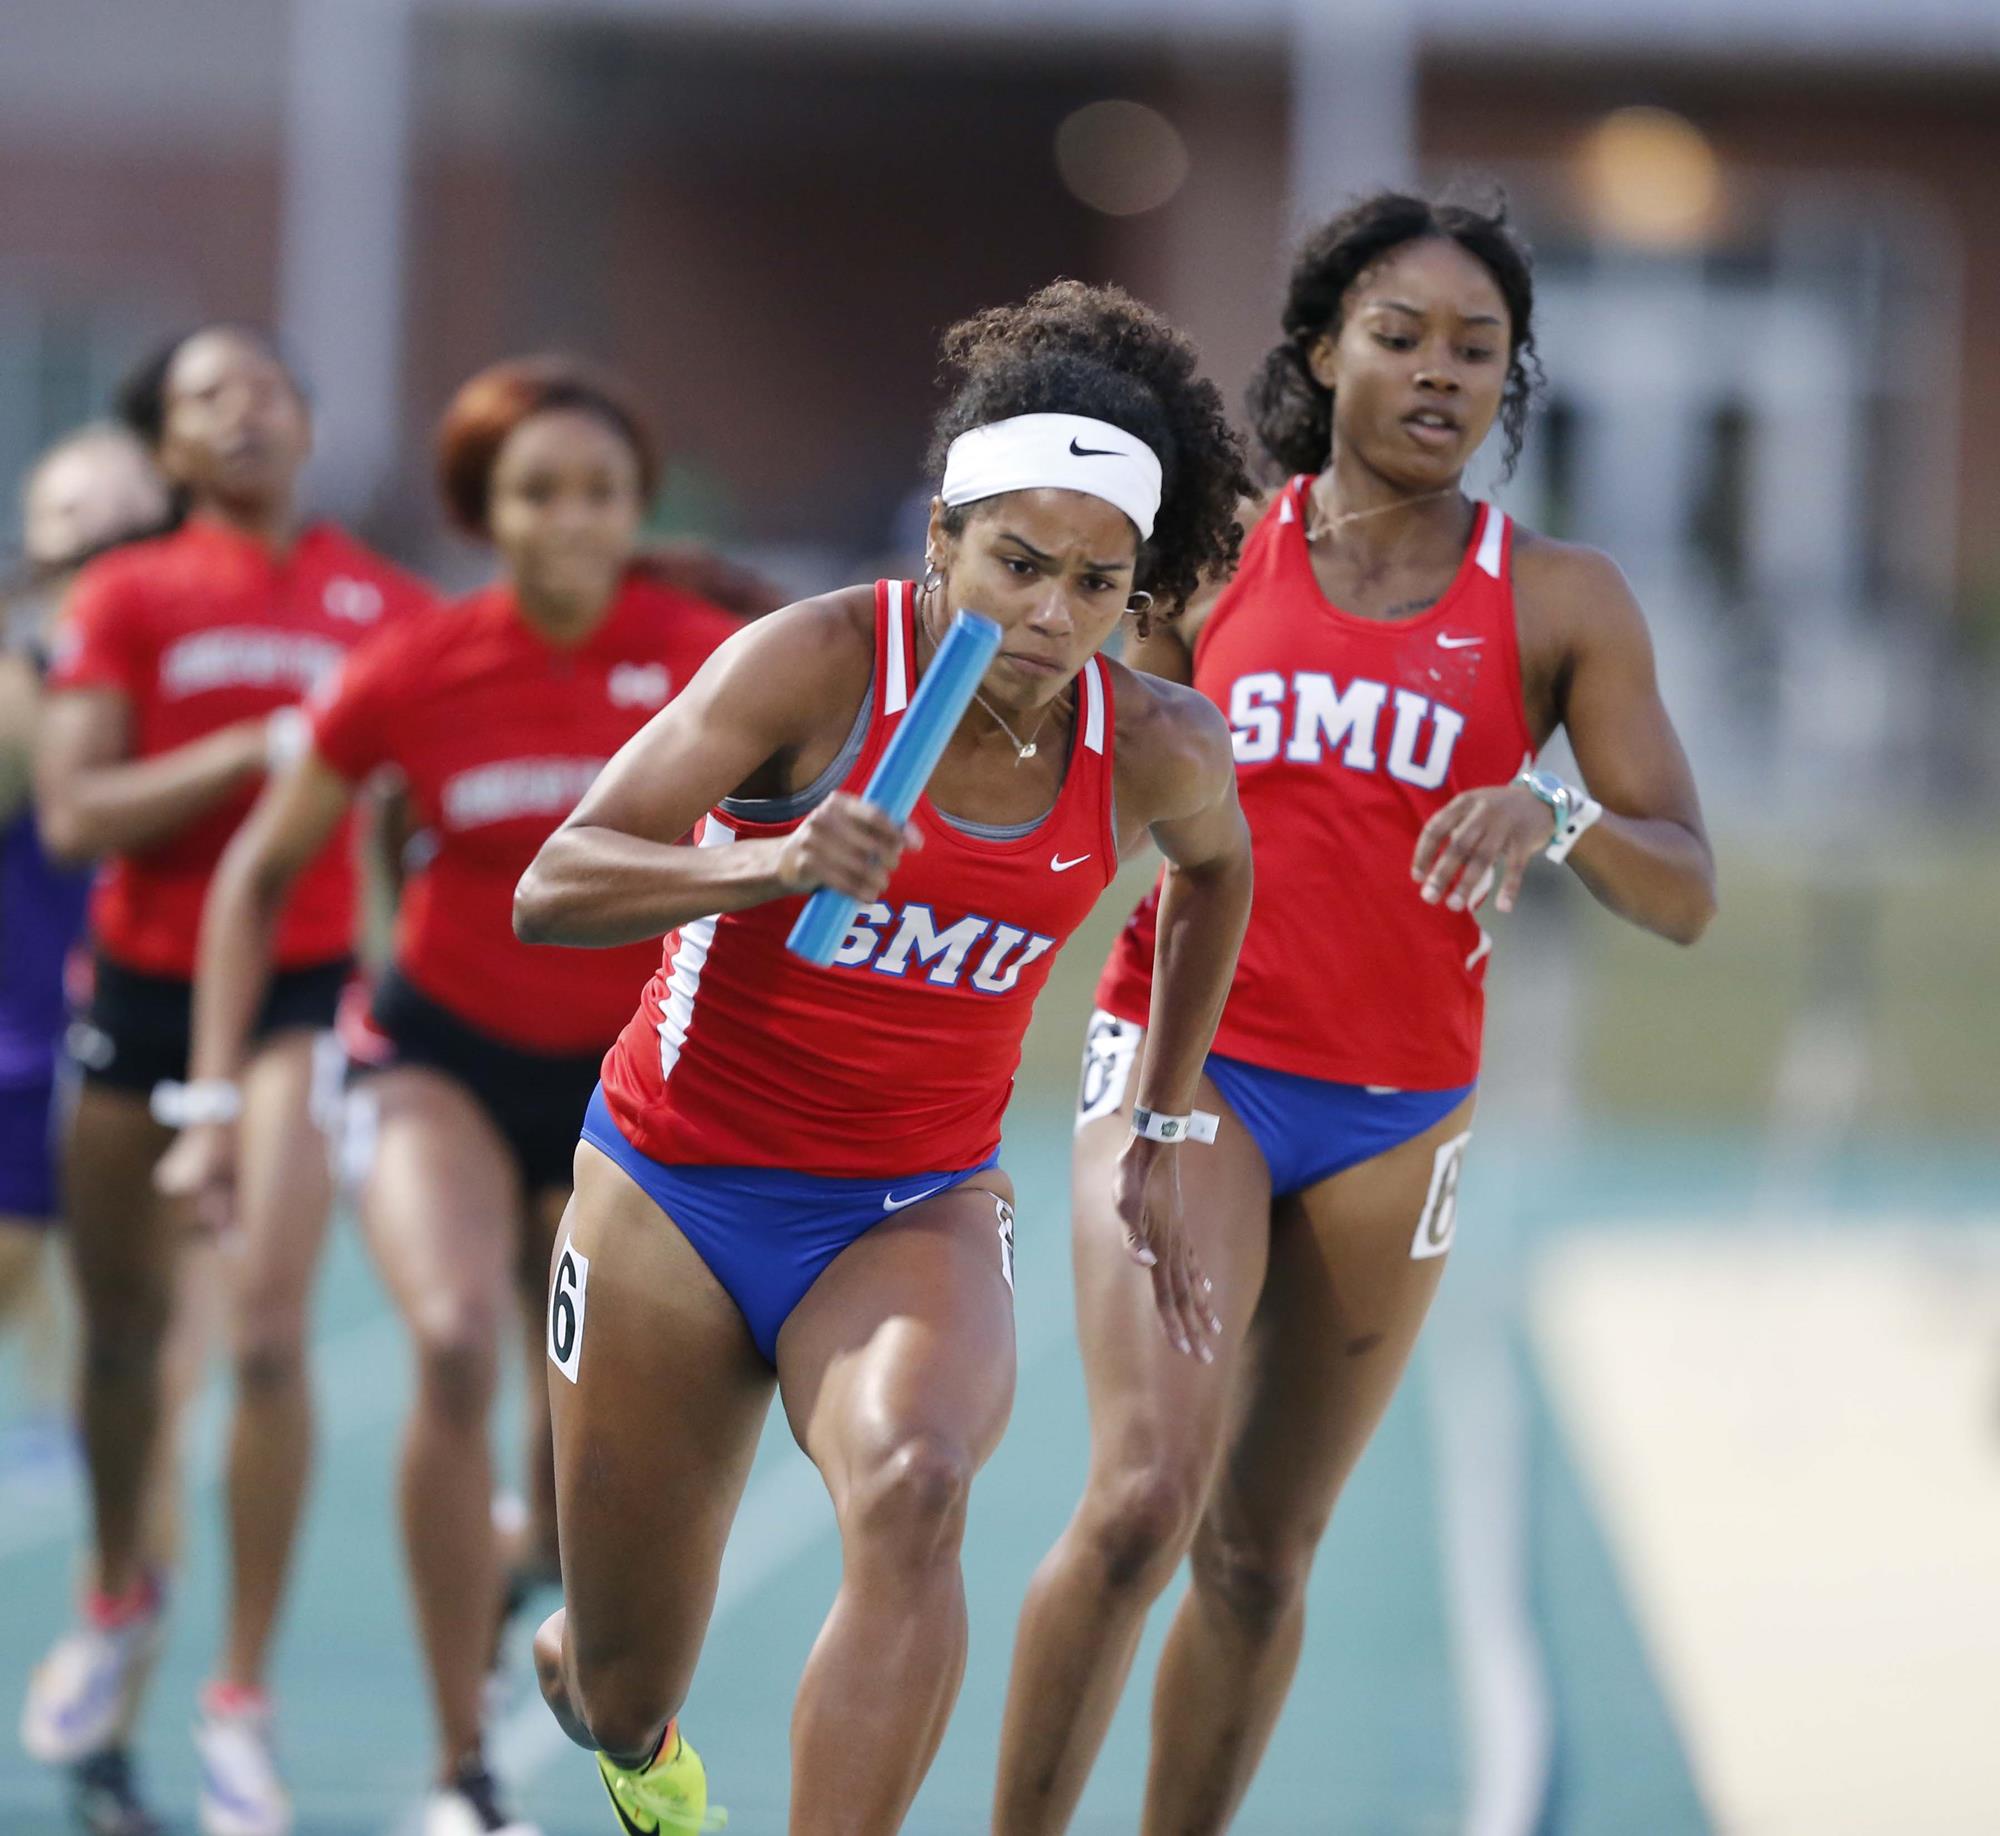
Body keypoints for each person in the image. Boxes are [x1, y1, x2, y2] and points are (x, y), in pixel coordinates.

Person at [991, 193, 1718, 1836]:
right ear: (1324, 351)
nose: (1440, 373)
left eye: (1480, 348)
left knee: (1259, 1554)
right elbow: (1070, 775)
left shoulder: (1559, 601)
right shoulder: (1217, 549)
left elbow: (1689, 886)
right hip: (1195, 1070)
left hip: (1398, 1116)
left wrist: (1564, 815)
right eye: (1401, 336)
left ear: (1513, 381)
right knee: (1138, 1506)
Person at [512, 280, 1255, 1836]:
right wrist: (767, 869)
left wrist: (1167, 1122)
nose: (1051, 616)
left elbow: (1219, 874)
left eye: (1097, 585)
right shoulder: (819, 663)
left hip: (905, 1207)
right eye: (1020, 565)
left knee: (917, 1485)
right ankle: (610, 1701)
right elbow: (557, 883)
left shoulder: (1161, 746)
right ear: (943, 541)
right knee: (621, 1683)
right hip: (671, 1193)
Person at [158, 355, 745, 1836]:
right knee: (449, 1344)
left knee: (581, 1477)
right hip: (439, 1056)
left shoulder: (709, 655)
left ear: (635, 508)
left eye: (600, 492)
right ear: (485, 509)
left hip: (635, 1089)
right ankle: (457, 1774)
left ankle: (509, 1570)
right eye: (535, 491)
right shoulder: (417, 663)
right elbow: (258, 875)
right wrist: (215, 1103)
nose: (569, 521)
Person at [25, 326, 434, 1836]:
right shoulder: (123, 597)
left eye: (263, 387)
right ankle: (120, 1588)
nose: (239, 412)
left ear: (309, 421)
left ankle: (239, 1696)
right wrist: (273, 747)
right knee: (124, 1342)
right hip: (134, 998)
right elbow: (75, 814)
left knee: (267, 1335)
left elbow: (413, 811)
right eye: (204, 399)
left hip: (298, 1002)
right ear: (167, 445)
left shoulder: (382, 609)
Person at [2, 426, 171, 1442]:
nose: (100, 534)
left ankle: (120, 1599)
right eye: (73, 513)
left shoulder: (195, 671)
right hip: (23, 1071)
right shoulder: (22, 683)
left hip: (159, 1056)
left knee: (149, 1375)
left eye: (124, 513)